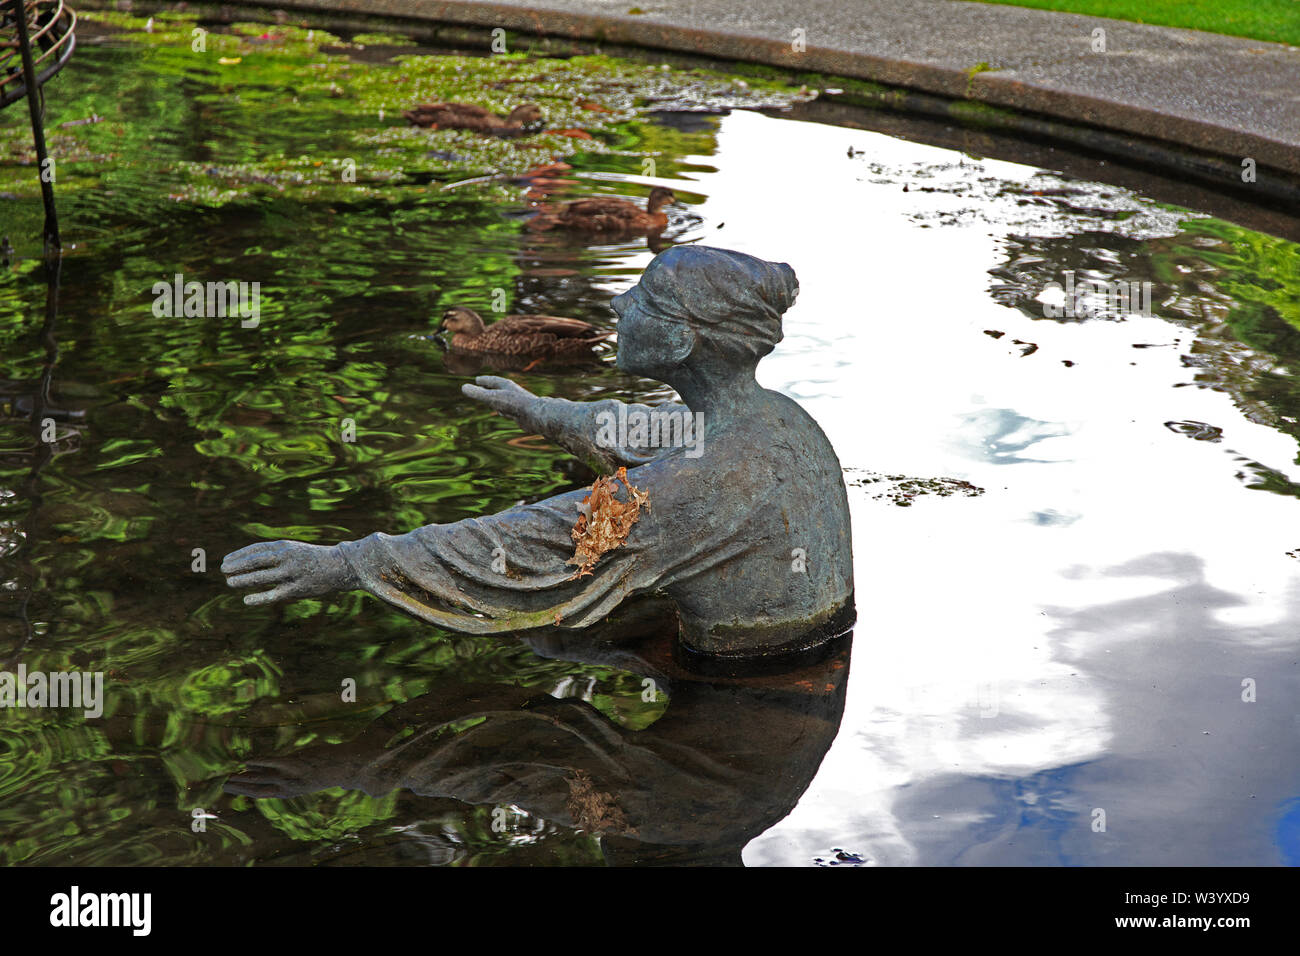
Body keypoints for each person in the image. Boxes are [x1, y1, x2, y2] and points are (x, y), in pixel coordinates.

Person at [221, 246, 854, 658]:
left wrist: (350, 562)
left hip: (741, 716)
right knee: (563, 644)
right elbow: (647, 431)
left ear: (683, 339)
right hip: (799, 659)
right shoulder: (773, 419)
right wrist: (540, 410)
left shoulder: (706, 480)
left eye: (642, 300)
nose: (618, 303)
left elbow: (532, 538)